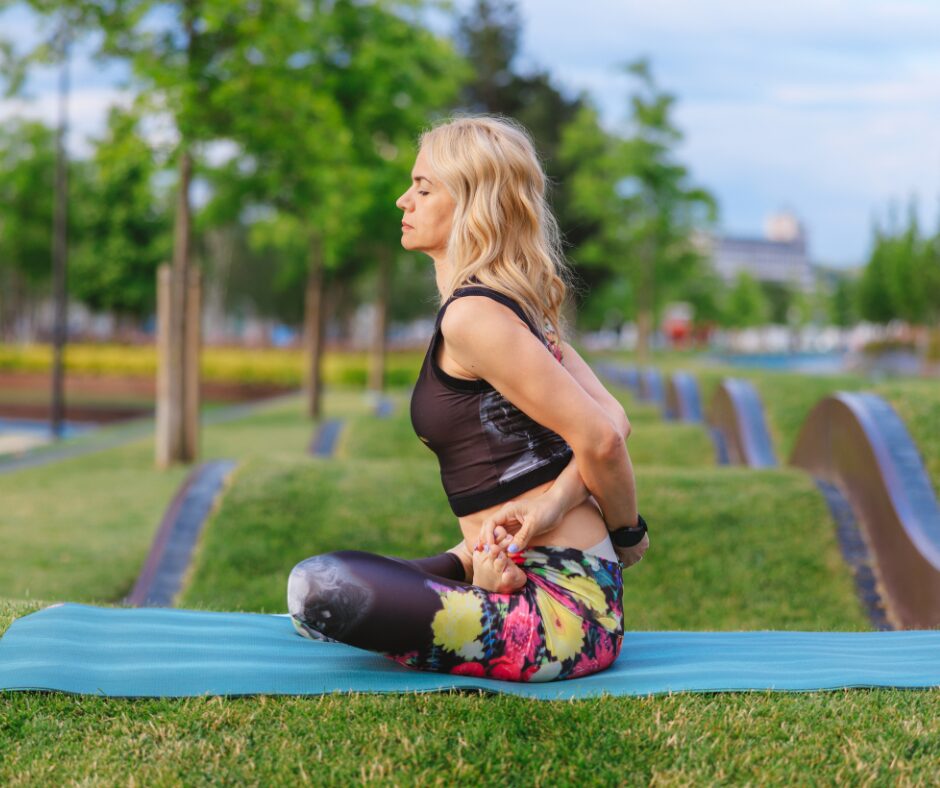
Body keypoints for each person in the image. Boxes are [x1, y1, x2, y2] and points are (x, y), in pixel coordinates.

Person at [287, 115, 648, 683]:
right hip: (538, 575)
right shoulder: (501, 306)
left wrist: (629, 534)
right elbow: (615, 417)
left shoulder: (475, 316)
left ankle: (485, 594)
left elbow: (604, 436)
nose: (404, 200)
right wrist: (549, 508)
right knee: (316, 607)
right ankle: (473, 575)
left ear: (471, 203)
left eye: (424, 187)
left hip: (564, 617)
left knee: (320, 591)